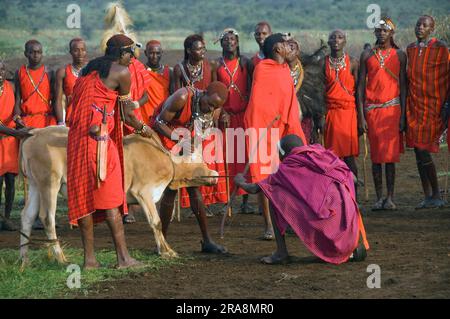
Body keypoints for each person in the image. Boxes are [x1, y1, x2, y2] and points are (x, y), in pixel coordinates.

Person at [67, 34, 153, 269]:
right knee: (112, 199)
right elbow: (126, 115)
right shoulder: (122, 72)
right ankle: (123, 259)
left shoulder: (89, 69)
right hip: (99, 144)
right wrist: (145, 129)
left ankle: (89, 260)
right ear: (123, 53)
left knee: (85, 198)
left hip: (76, 142)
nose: (131, 60)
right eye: (130, 54)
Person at [234, 134, 369, 265]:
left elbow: (253, 189)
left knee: (272, 192)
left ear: (283, 154)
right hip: (348, 233)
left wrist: (240, 181)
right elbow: (354, 179)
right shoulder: (325, 156)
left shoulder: (286, 168)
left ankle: (281, 253)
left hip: (328, 230)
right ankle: (348, 249)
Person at [152, 81, 229, 253]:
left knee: (194, 187)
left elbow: (203, 129)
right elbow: (158, 123)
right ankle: (161, 242)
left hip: (184, 139)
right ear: (204, 93)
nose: (210, 109)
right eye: (209, 104)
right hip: (163, 137)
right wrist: (179, 141)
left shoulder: (213, 107)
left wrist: (192, 143)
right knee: (172, 189)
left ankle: (207, 241)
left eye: (215, 107)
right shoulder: (182, 97)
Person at [244, 33, 306, 240]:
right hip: (263, 129)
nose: (288, 46)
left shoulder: (285, 69)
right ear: (277, 49)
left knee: (288, 176)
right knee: (263, 177)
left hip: (284, 129)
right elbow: (261, 103)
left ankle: (289, 220)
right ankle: (269, 224)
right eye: (284, 43)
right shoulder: (263, 68)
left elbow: (287, 98)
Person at [173, 34, 227, 210]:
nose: (202, 52)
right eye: (198, 49)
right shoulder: (179, 69)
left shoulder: (209, 66)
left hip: (206, 117)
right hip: (187, 120)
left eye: (204, 48)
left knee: (207, 160)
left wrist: (216, 113)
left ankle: (209, 202)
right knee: (190, 160)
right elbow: (173, 95)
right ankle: (191, 203)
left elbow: (213, 91)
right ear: (189, 50)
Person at [358, 17, 407, 210]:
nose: (381, 33)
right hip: (372, 111)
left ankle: (390, 197)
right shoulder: (366, 55)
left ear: (391, 33)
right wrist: (361, 116)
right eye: (378, 30)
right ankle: (379, 198)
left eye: (385, 30)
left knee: (390, 156)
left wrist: (403, 115)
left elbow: (403, 86)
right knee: (376, 157)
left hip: (393, 111)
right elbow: (361, 86)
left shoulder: (400, 55)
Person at [406, 15, 450, 209]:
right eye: (418, 24)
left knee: (424, 150)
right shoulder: (411, 49)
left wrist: (446, 105)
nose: (420, 28)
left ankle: (437, 194)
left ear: (432, 29)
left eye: (425, 25)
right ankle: (427, 196)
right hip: (414, 106)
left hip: (433, 107)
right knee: (417, 150)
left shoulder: (441, 48)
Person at [213, 28, 255, 214]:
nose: (229, 42)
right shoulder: (216, 65)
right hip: (226, 118)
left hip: (243, 115)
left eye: (232, 39)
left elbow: (252, 88)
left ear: (237, 42)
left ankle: (245, 201)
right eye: (226, 40)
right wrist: (221, 111)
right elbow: (214, 91)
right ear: (221, 44)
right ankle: (227, 201)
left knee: (244, 157)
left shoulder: (245, 62)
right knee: (227, 158)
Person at [323, 30, 359, 192]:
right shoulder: (322, 63)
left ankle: (353, 194)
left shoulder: (353, 63)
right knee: (332, 157)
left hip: (348, 114)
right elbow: (319, 91)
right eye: (333, 37)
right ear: (328, 42)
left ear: (345, 41)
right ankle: (337, 194)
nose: (336, 40)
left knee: (349, 157)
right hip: (330, 113)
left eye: (340, 37)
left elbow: (359, 92)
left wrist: (361, 119)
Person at [0, 61, 32, 231]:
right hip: (4, 139)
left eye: (2, 70)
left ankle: (7, 217)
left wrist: (20, 123)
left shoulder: (10, 87)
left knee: (11, 180)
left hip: (10, 143)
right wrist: (17, 133)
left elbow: (14, 112)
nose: (0, 73)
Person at [13, 40, 56, 129]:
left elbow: (55, 100)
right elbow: (17, 99)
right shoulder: (20, 72)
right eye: (32, 52)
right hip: (26, 121)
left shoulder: (49, 72)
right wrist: (17, 118)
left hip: (46, 120)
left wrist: (58, 121)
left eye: (39, 52)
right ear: (26, 54)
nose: (36, 55)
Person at [54, 38, 87, 125]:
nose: (80, 54)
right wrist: (61, 122)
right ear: (71, 52)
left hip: (89, 115)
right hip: (72, 116)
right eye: (76, 50)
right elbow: (58, 99)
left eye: (83, 50)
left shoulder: (93, 71)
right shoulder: (63, 72)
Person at [140, 40, 173, 124]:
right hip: (145, 116)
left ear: (161, 53)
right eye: (151, 53)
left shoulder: (169, 72)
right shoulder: (140, 71)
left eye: (157, 53)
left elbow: (172, 95)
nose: (154, 56)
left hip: (163, 115)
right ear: (145, 53)